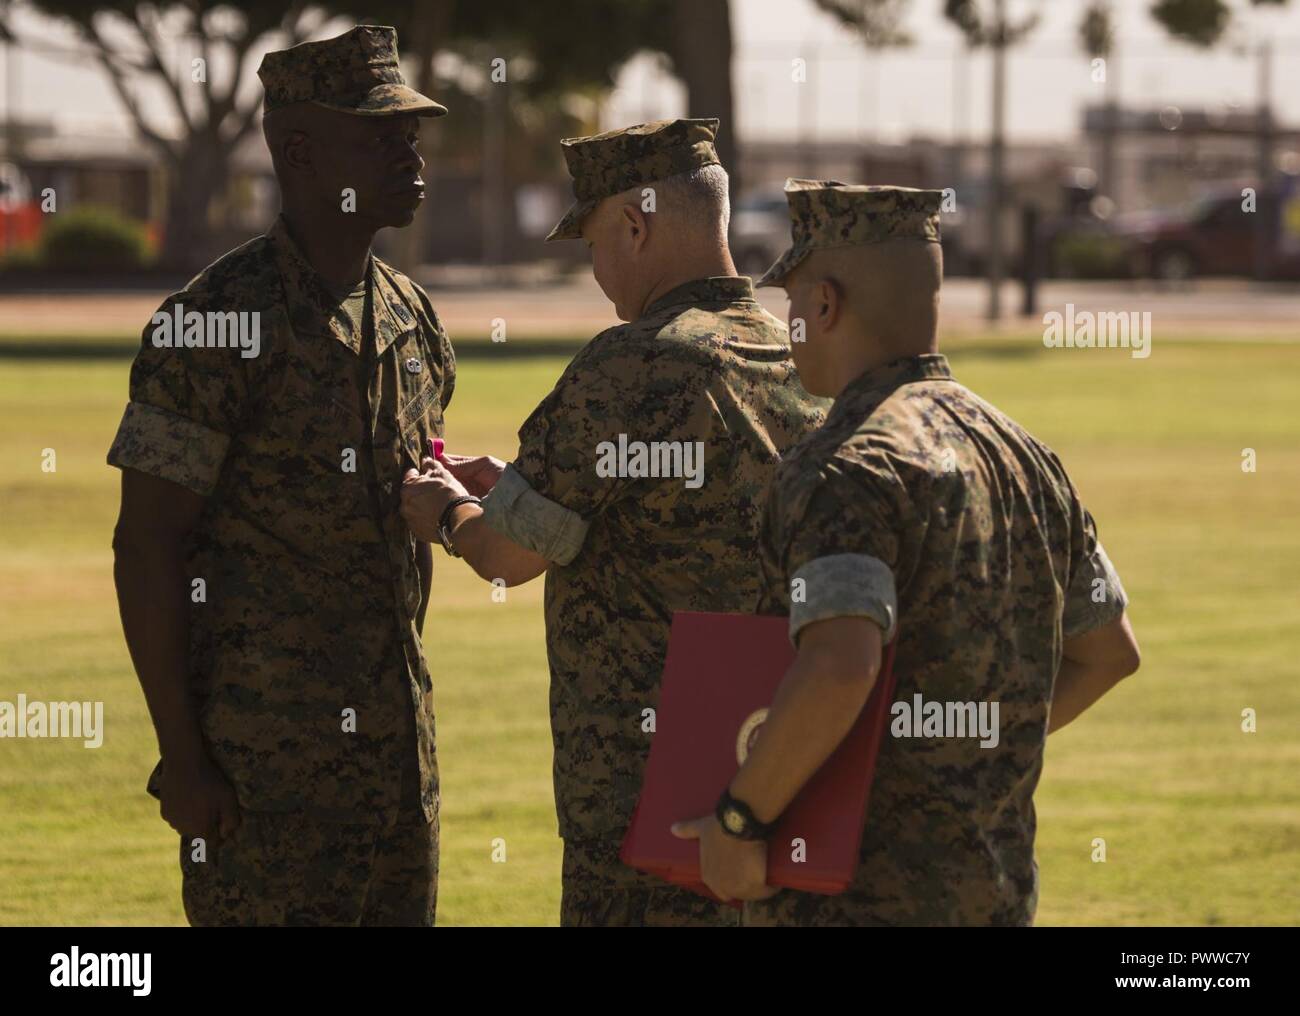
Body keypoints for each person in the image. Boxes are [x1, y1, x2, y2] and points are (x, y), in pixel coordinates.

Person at [674, 180, 1141, 926]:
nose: (791, 324)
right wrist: (968, 746)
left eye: (795, 306)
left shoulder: (844, 468)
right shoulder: (1024, 455)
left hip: (856, 895)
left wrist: (740, 820)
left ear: (824, 305)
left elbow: (839, 664)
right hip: (993, 889)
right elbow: (1108, 653)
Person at [400, 119, 826, 926]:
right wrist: (512, 488)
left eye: (594, 242)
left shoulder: (632, 363)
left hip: (649, 797)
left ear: (635, 224)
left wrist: (448, 512)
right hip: (778, 774)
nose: (595, 270)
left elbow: (507, 557)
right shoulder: (798, 357)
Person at [108, 25, 453, 926]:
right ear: (301, 152)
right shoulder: (215, 325)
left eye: (411, 132)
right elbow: (147, 547)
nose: (410, 152)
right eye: (382, 134)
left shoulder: (414, 321)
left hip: (396, 767)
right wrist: (181, 761)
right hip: (262, 782)